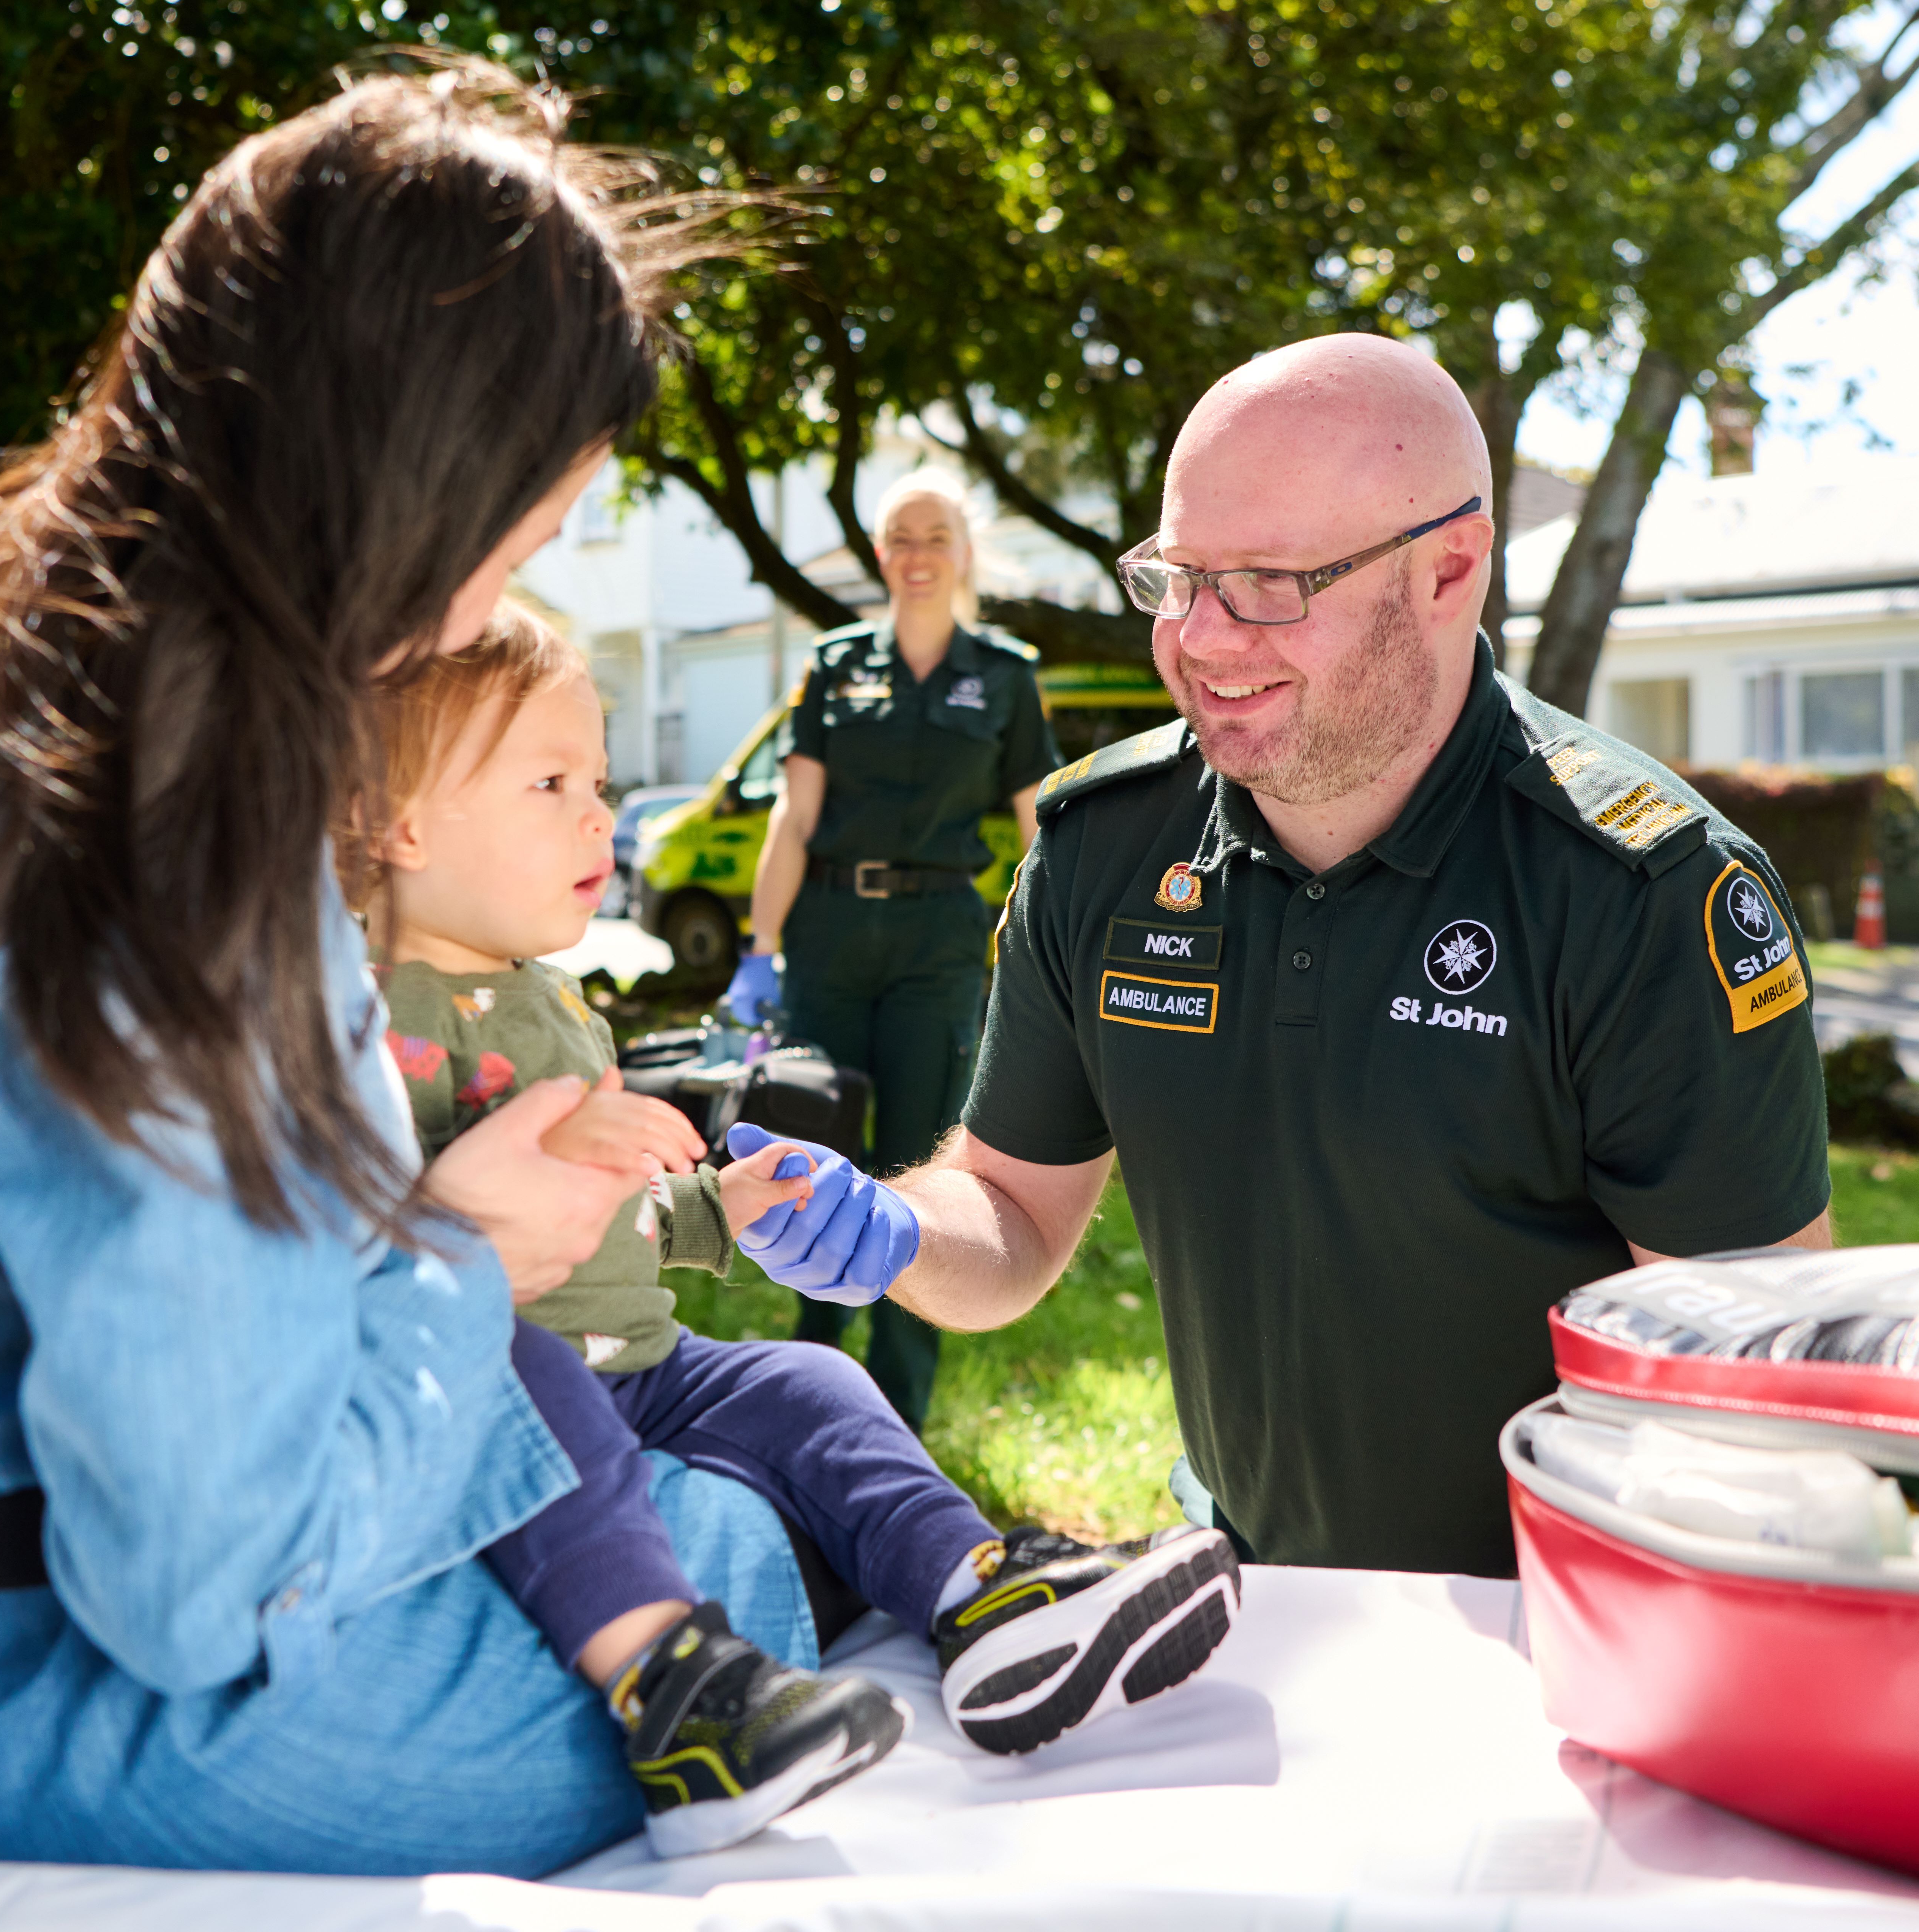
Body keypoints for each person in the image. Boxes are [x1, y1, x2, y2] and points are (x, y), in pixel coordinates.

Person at [0, 69, 846, 1879]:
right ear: (401, 490)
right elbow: (199, 1592)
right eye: (506, 551)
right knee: (745, 1538)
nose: (471, 622)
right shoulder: (181, 842)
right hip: (96, 1736)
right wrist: (456, 1262)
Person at [722, 334, 1836, 1580]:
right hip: (1247, 1591)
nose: (1198, 640)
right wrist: (892, 1231)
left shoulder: (1642, 892)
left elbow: (1737, 1389)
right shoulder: (1102, 849)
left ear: (1447, 571)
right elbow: (1015, 1210)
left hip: (1556, 1620)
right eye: (1176, 577)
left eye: (1264, 583)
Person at [352, 602, 1242, 1816]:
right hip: (506, 1382)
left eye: (600, 780)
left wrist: (719, 1204)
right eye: (549, 782)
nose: (601, 816)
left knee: (809, 1383)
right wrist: (542, 1150)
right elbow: (354, 1227)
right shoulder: (371, 1017)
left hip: (648, 1361)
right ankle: (675, 1702)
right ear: (402, 824)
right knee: (552, 1399)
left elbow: (629, 1218)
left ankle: (981, 1594)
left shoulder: (551, 1000)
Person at [722, 473, 1063, 1428]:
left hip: (938, 947)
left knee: (921, 1174)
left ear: (963, 553)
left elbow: (1037, 822)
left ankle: (898, 1420)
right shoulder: (835, 666)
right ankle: (811, 1402)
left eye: (936, 535)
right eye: (899, 537)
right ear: (880, 555)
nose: (917, 553)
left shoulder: (1003, 673)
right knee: (813, 1161)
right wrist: (759, 947)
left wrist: (1048, 950)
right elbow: (794, 815)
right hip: (829, 939)